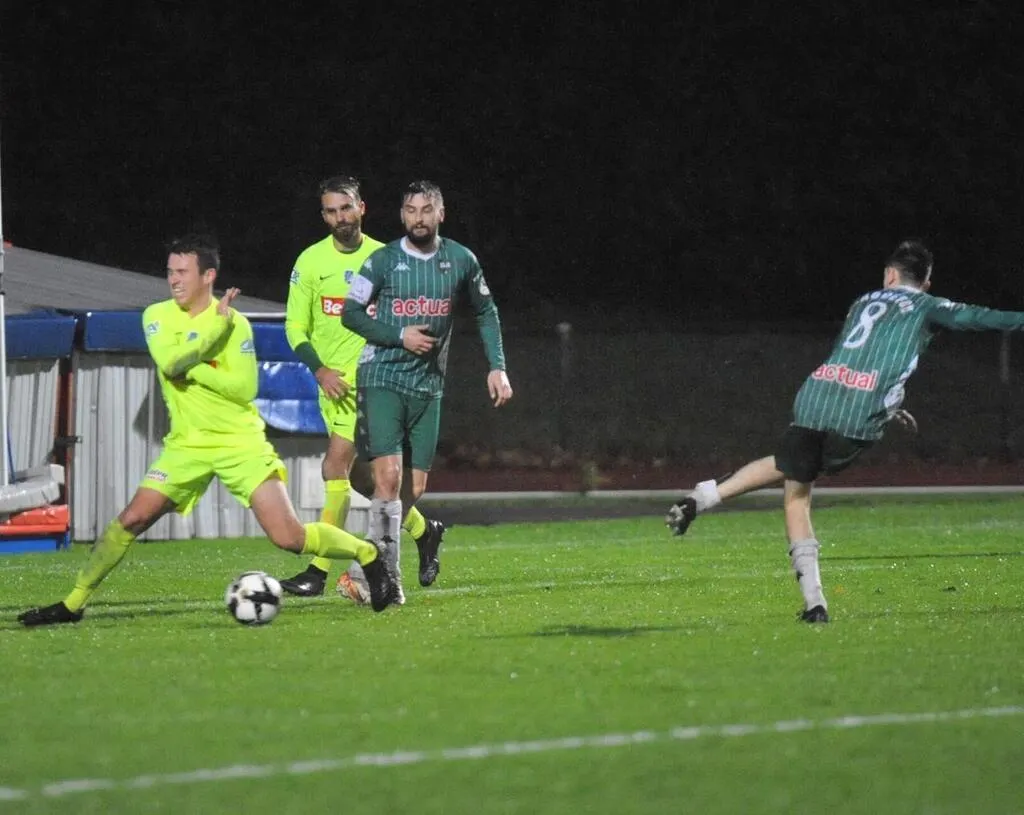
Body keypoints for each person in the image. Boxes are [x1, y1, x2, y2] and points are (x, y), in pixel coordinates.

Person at [17, 234, 399, 626]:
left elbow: (244, 389)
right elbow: (168, 362)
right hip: (187, 446)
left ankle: (366, 553)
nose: (174, 280)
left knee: (290, 538)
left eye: (182, 272)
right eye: (170, 272)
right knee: (131, 519)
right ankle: (73, 604)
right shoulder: (157, 316)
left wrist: (194, 363)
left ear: (208, 275)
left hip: (240, 444)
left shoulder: (237, 325)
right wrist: (208, 343)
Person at [665, 239, 1024, 624]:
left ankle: (711, 503)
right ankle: (811, 604)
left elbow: (851, 352)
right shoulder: (927, 306)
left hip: (816, 396)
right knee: (797, 484)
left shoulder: (863, 301)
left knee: (794, 486)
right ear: (926, 282)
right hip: (857, 416)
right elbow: (981, 318)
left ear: (889, 275)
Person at [338, 180, 513, 603]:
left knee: (413, 488)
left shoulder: (460, 260)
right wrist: (399, 336)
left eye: (426, 209)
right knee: (388, 478)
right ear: (402, 216)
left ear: (441, 214)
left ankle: (362, 565)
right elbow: (350, 314)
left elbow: (486, 310)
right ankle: (383, 581)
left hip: (429, 385)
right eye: (411, 210)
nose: (419, 217)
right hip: (381, 378)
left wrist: (498, 367)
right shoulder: (382, 261)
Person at [276, 175, 444, 599]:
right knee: (362, 482)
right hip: (331, 385)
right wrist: (319, 370)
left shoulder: (385, 259)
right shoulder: (310, 262)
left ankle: (317, 571)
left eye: (346, 208)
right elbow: (295, 327)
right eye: (331, 211)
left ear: (362, 208)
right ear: (324, 216)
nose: (340, 218)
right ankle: (425, 532)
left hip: (372, 382)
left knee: (333, 468)